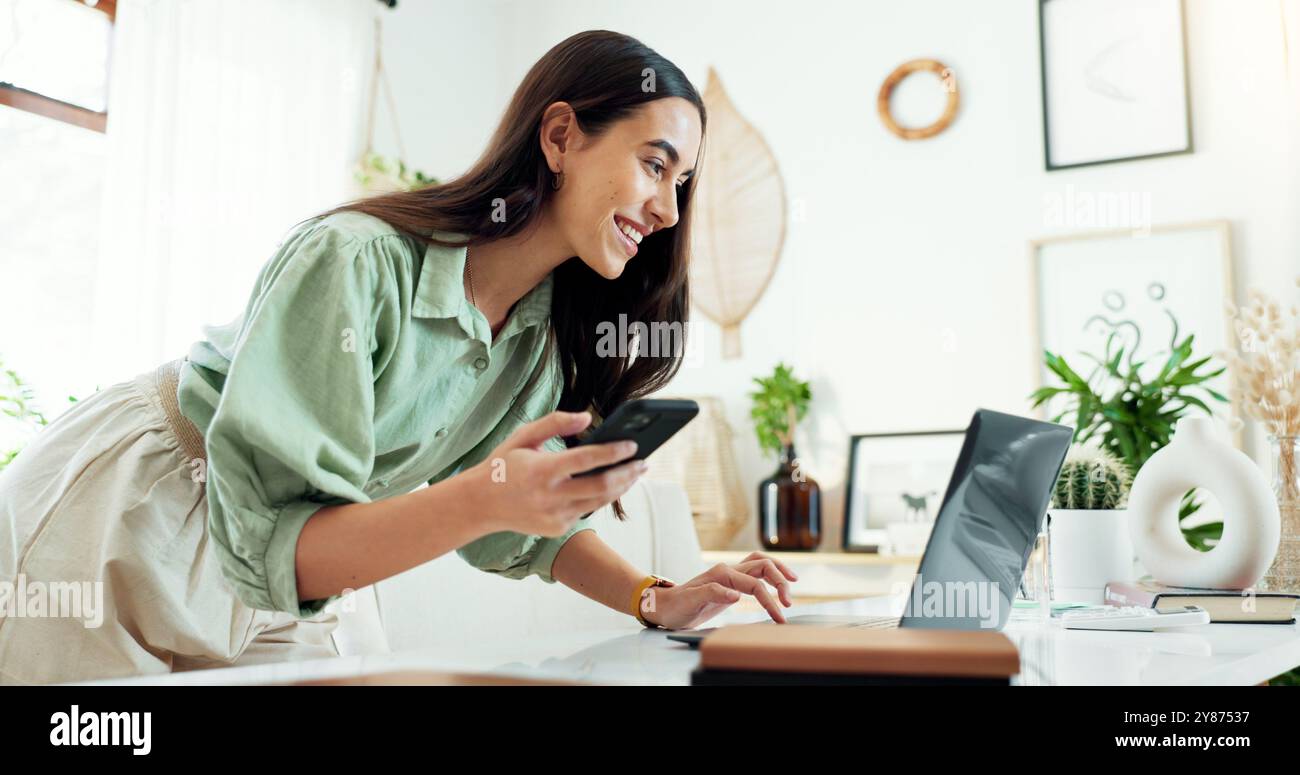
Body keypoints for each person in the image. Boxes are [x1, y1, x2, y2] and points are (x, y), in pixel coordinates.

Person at [0, 29, 796, 686]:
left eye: (682, 182)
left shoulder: (536, 342)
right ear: (560, 137)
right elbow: (290, 536)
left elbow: (527, 533)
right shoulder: (354, 262)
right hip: (134, 511)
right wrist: (486, 495)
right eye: (655, 164)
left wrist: (653, 596)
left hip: (280, 572)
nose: (667, 208)